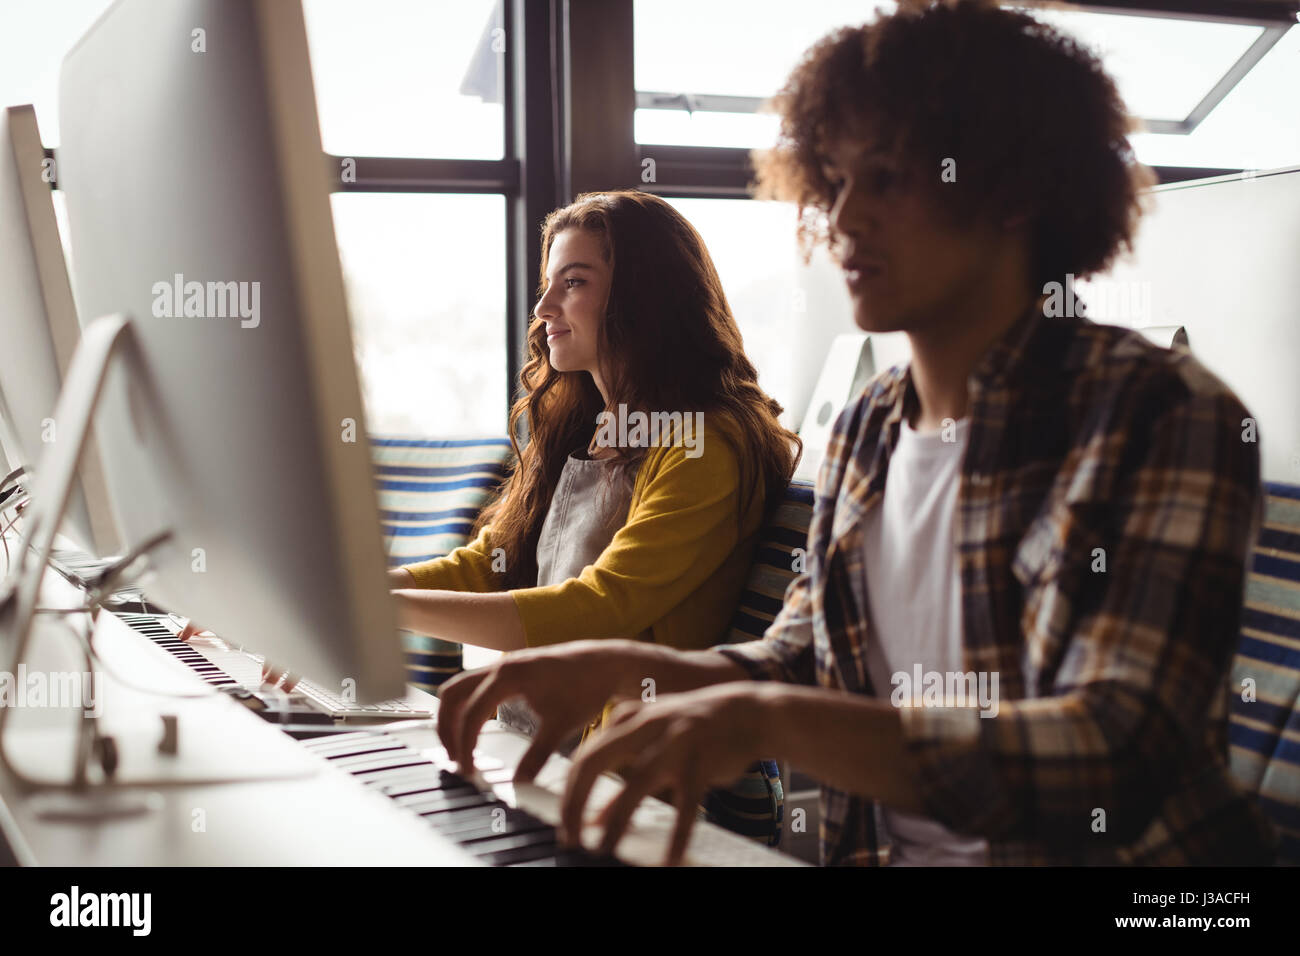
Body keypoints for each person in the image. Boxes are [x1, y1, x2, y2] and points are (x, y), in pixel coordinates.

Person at [432, 0, 1278, 866]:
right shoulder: (873, 423)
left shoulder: (1161, 415)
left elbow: (1114, 757)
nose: (842, 217)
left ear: (1019, 191)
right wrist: (627, 672)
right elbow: (802, 659)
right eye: (833, 181)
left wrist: (764, 719)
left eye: (890, 178)